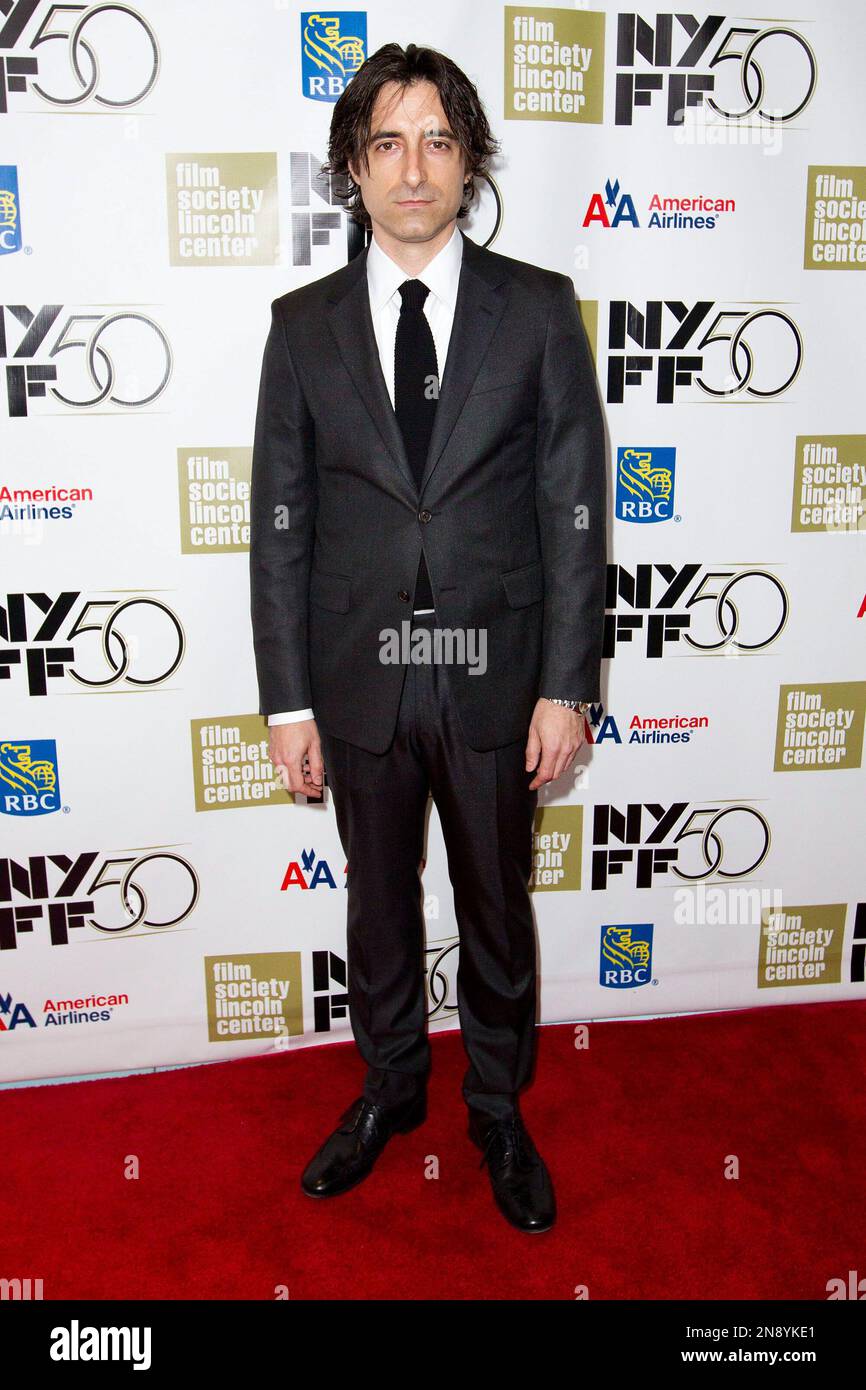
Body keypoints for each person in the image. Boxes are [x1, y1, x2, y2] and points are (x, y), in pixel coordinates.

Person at [249, 41, 607, 1233]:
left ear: (469, 163)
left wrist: (567, 685)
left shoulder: (539, 310)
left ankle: (496, 1108)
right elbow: (278, 527)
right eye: (387, 142)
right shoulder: (299, 327)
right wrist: (286, 702)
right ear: (353, 166)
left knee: (496, 903)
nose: (414, 167)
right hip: (358, 680)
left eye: (438, 141)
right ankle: (392, 1085)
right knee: (377, 908)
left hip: (495, 678)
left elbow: (571, 508)